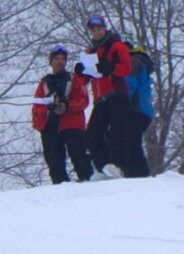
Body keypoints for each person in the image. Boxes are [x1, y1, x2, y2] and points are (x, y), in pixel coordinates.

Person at [32, 46, 93, 184]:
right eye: (57, 59)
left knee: (79, 158)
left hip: (72, 125)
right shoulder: (44, 83)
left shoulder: (73, 79)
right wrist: (43, 118)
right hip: (50, 127)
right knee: (54, 163)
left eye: (63, 59)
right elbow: (37, 105)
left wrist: (67, 106)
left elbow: (83, 99)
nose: (60, 62)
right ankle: (60, 190)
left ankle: (89, 184)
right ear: (51, 61)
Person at [81, 16, 132, 177]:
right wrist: (80, 72)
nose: (96, 32)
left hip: (116, 93)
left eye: (98, 28)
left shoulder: (116, 45)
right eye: (93, 29)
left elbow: (125, 68)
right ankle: (103, 167)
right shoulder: (90, 51)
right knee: (92, 133)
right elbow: (86, 77)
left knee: (118, 132)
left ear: (104, 28)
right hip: (100, 98)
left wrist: (110, 67)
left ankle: (120, 166)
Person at [119, 45, 155, 178]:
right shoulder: (140, 61)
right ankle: (134, 171)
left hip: (135, 109)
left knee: (131, 140)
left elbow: (129, 85)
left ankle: (138, 172)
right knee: (131, 139)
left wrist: (120, 103)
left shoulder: (132, 61)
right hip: (143, 110)